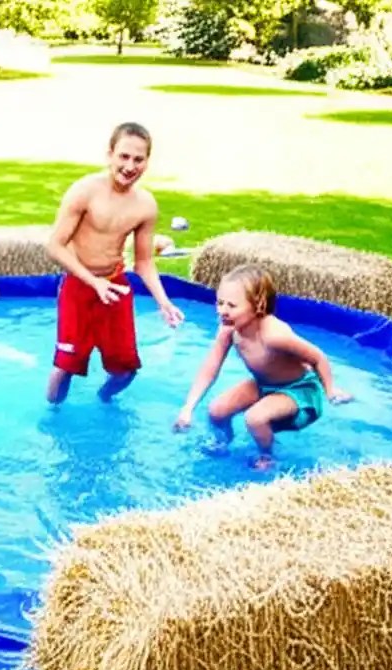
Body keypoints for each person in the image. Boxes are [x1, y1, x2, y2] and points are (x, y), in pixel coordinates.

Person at [44, 122, 184, 404]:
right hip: (79, 286)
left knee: (127, 371)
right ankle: (53, 419)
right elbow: (54, 245)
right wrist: (92, 281)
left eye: (138, 159)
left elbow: (144, 261)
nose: (129, 166)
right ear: (109, 155)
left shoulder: (145, 205)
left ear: (146, 162)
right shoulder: (84, 191)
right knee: (65, 367)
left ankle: (102, 402)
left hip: (115, 287)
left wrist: (163, 301)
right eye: (123, 156)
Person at [173, 264, 352, 469]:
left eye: (232, 305)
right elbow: (210, 368)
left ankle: (267, 457)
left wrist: (330, 390)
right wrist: (188, 408)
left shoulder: (274, 335)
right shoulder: (229, 330)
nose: (222, 311)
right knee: (216, 410)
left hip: (299, 390)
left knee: (255, 418)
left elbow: (318, 357)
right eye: (220, 302)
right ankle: (222, 442)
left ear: (258, 304)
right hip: (264, 384)